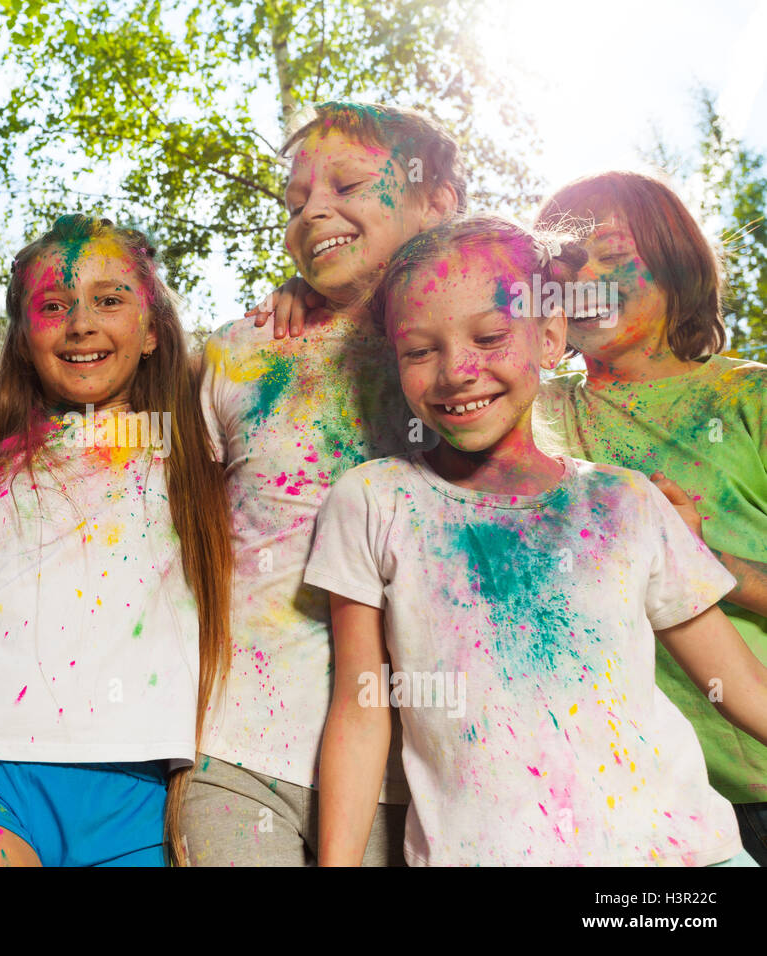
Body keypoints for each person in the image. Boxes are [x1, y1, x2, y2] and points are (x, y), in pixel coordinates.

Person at [311, 216, 766, 865]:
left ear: (550, 337)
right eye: (419, 350)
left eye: (490, 337)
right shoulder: (373, 500)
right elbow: (360, 712)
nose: (456, 370)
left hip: (689, 857)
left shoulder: (628, 502)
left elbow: (743, 685)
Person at [0, 215, 232, 866]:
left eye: (110, 300)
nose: (81, 322)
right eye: (53, 305)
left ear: (154, 329)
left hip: (137, 792)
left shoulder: (193, 437)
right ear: (22, 338)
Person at [188, 102, 462, 865]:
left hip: (428, 775)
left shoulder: (480, 355)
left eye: (345, 185)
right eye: (296, 201)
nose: (314, 213)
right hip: (239, 750)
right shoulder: (240, 353)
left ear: (437, 199)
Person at [534, 171, 767, 862]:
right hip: (631, 805)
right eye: (564, 266)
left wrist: (707, 565)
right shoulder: (535, 410)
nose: (587, 279)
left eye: (610, 250)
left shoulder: (749, 399)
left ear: (675, 258)